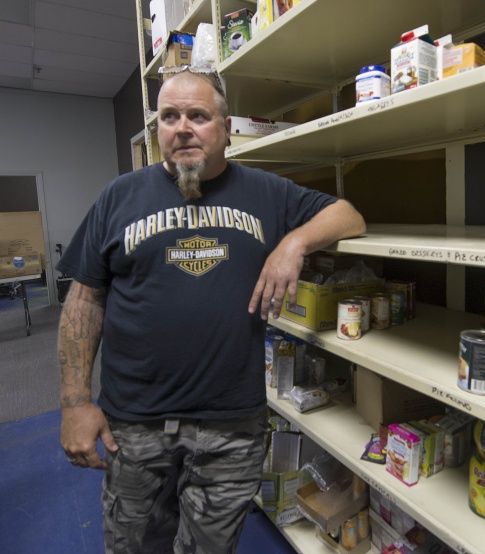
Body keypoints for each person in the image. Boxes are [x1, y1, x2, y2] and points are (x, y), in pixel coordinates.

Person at [57, 68, 366, 553]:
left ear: (225, 127)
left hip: (231, 425)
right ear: (158, 128)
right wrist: (75, 403)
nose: (182, 127)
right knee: (135, 546)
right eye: (169, 116)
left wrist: (294, 242)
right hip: (135, 425)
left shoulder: (267, 192)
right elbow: (83, 300)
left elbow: (349, 214)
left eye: (198, 116)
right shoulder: (119, 197)